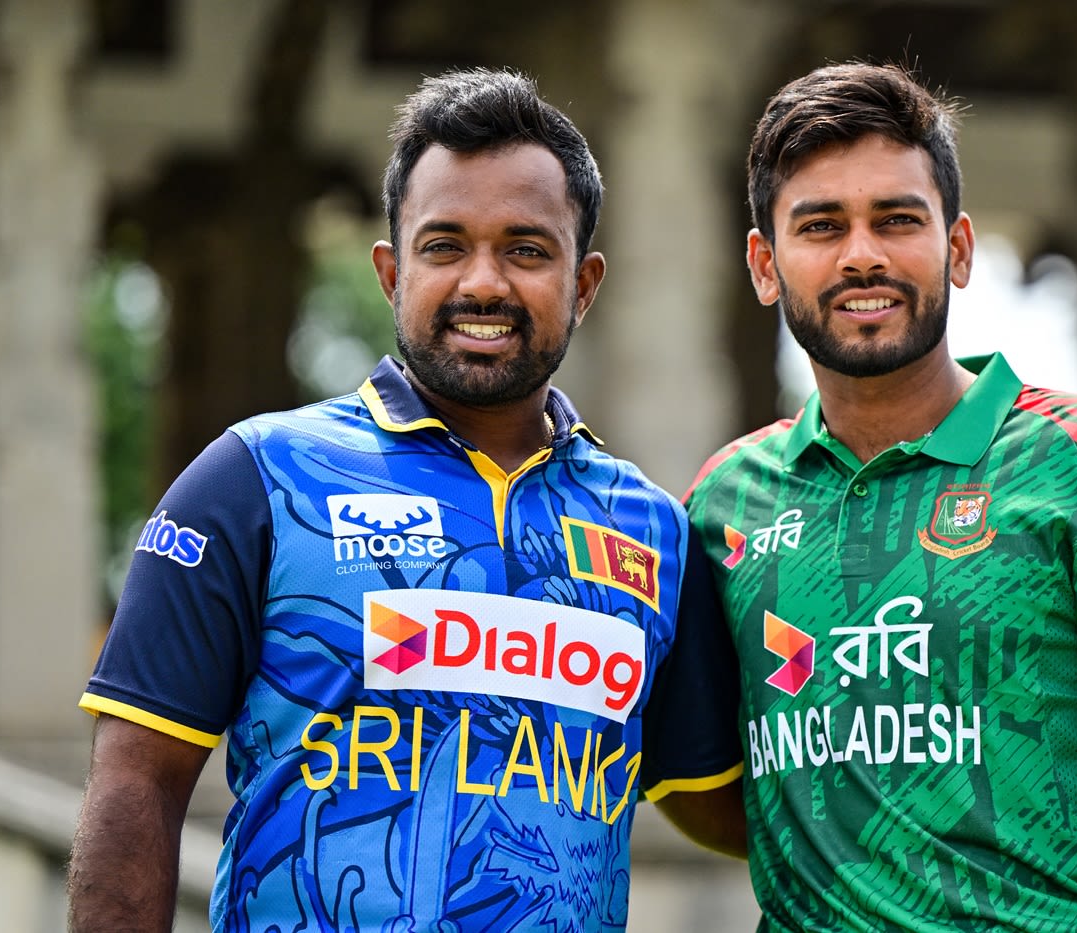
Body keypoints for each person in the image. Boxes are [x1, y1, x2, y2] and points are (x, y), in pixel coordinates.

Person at [68, 67, 744, 933]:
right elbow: (136, 782)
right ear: (391, 272)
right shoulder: (255, 479)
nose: (483, 283)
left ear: (584, 284)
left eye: (527, 250)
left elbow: (725, 798)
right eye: (444, 246)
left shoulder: (653, 529)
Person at [684, 61, 1077, 933]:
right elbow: (695, 772)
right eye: (820, 226)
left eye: (897, 220)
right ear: (764, 264)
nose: (862, 254)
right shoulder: (723, 504)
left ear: (959, 248)